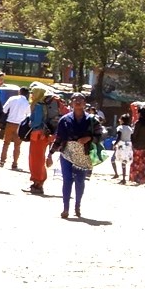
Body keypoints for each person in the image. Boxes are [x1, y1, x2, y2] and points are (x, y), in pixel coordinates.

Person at [45, 91, 102, 220]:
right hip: (66, 153)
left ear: (85, 103)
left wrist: (89, 138)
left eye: (80, 99)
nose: (77, 101)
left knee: (80, 181)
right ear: (71, 103)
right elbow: (59, 138)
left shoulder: (92, 120)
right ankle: (65, 208)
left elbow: (100, 135)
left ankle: (77, 205)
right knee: (67, 180)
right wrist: (50, 154)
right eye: (74, 99)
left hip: (83, 153)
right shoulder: (64, 120)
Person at [25, 81, 60, 196]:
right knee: (38, 158)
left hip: (38, 135)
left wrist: (30, 123)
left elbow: (36, 122)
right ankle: (37, 182)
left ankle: (38, 182)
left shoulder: (38, 106)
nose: (32, 95)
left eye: (33, 93)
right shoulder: (45, 105)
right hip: (45, 135)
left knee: (36, 159)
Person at [0, 86, 31, 170]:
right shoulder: (27, 103)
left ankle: (2, 161)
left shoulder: (12, 99)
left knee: (6, 143)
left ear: (19, 92)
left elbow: (4, 110)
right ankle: (14, 164)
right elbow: (28, 115)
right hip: (19, 125)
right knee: (17, 145)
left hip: (10, 123)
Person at [111, 108, 134, 181]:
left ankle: (116, 174)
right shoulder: (130, 128)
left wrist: (114, 144)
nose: (119, 120)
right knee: (124, 162)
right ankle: (124, 178)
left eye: (120, 119)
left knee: (113, 159)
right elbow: (131, 137)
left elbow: (119, 137)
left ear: (122, 120)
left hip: (121, 145)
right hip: (128, 146)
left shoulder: (120, 128)